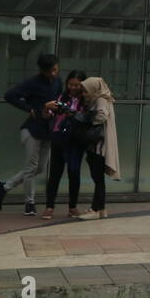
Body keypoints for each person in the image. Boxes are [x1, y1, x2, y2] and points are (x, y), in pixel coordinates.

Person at [0, 53, 62, 216]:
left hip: (48, 130)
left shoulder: (58, 82)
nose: (54, 73)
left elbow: (60, 99)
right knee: (31, 168)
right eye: (50, 71)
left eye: (55, 69)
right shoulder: (33, 83)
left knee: (40, 168)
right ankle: (29, 203)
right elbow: (9, 95)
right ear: (42, 71)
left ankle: (4, 187)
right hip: (32, 129)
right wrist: (29, 109)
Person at [41, 70, 88, 221]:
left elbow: (86, 118)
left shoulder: (87, 100)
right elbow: (47, 116)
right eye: (70, 84)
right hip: (59, 138)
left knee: (74, 173)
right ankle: (49, 207)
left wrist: (71, 113)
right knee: (55, 173)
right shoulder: (62, 97)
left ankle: (72, 206)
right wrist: (46, 107)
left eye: (77, 85)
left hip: (76, 140)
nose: (73, 88)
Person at [75, 76, 120, 220]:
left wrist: (87, 120)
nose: (84, 94)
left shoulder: (101, 99)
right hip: (99, 145)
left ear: (94, 89)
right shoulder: (103, 99)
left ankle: (95, 209)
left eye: (86, 91)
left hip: (98, 146)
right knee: (99, 179)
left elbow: (101, 116)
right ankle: (101, 209)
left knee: (98, 179)